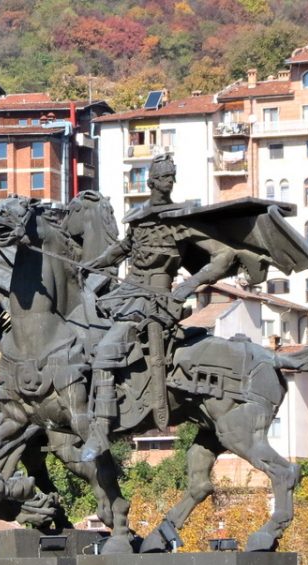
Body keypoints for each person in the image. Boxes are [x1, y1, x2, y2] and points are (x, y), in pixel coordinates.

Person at [80, 154, 237, 458]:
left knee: (108, 348)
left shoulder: (180, 221)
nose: (169, 182)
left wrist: (188, 286)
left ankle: (100, 431)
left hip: (158, 299)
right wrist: (90, 265)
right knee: (86, 330)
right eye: (163, 177)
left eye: (171, 177)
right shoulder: (139, 220)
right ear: (150, 181)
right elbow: (121, 250)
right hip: (127, 293)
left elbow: (224, 256)